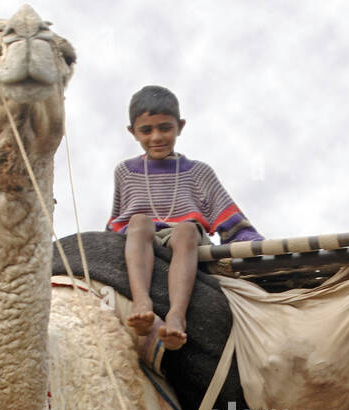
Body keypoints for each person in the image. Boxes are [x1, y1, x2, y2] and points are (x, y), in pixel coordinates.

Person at [107, 84, 262, 361]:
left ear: (180, 126)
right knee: (139, 220)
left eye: (165, 128)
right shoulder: (126, 172)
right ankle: (143, 303)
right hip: (143, 236)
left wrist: (252, 244)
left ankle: (176, 316)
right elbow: (119, 218)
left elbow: (227, 216)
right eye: (146, 130)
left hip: (186, 238)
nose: (156, 137)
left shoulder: (198, 172)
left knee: (186, 230)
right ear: (133, 132)